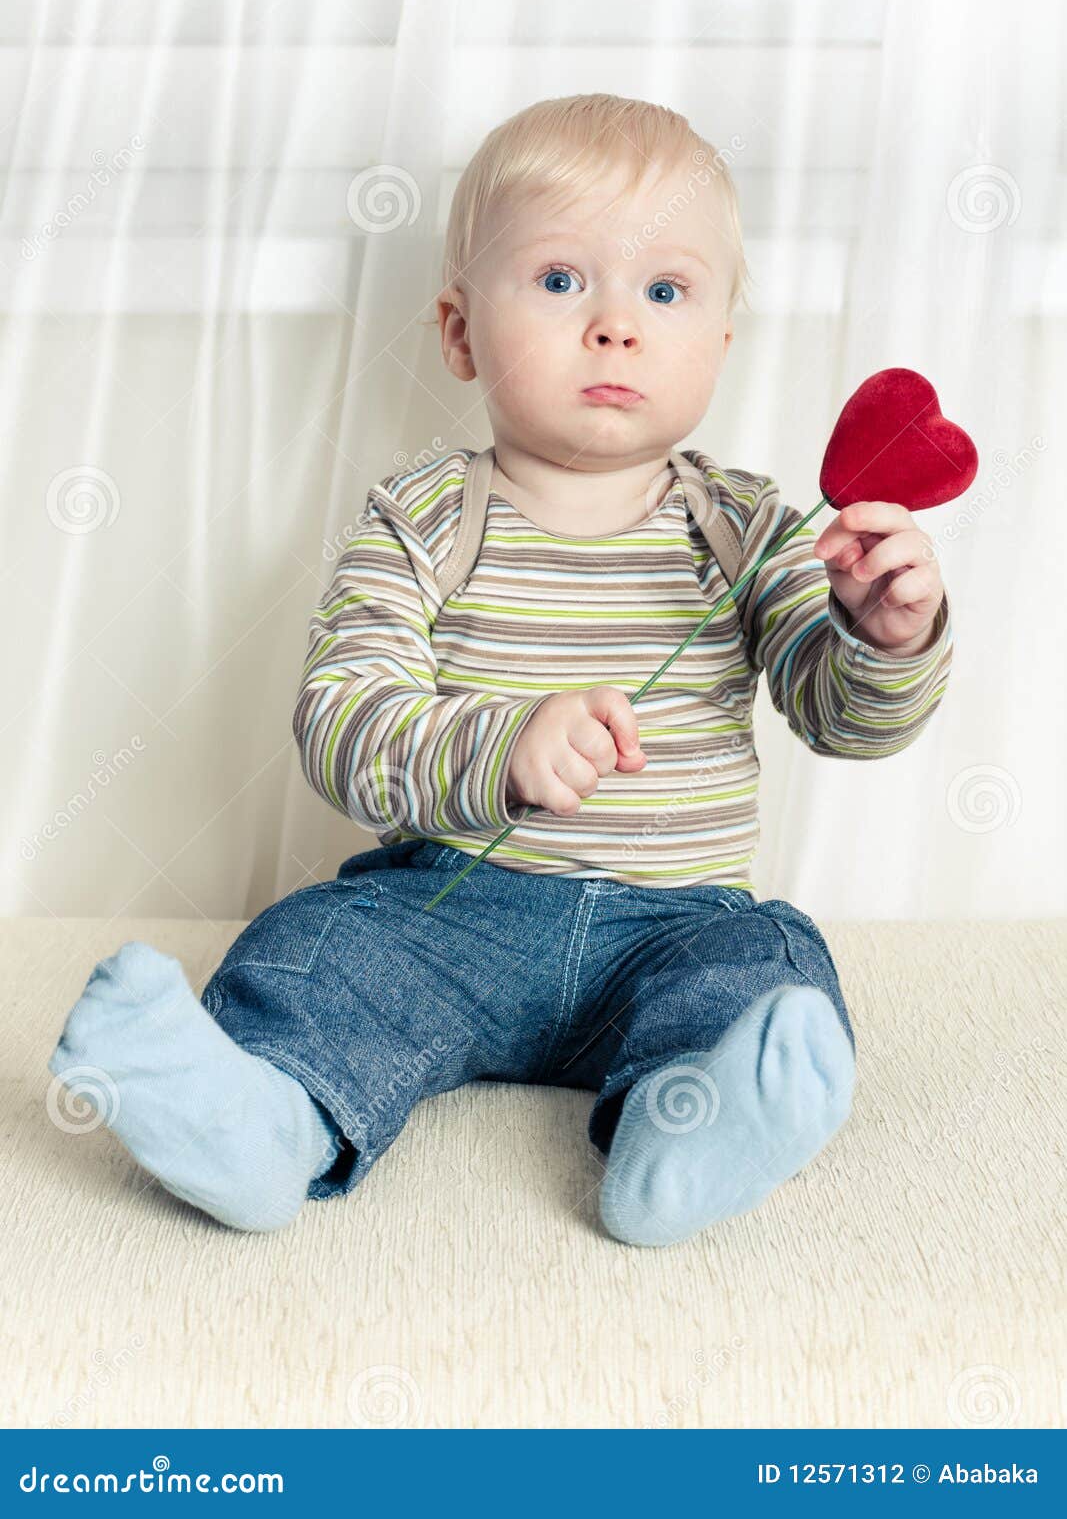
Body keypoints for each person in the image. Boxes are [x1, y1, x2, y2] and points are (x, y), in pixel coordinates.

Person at [47, 94, 952, 1246]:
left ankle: (679, 1142)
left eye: (664, 291)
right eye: (563, 280)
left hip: (671, 923)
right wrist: (498, 749)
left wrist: (882, 636)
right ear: (459, 330)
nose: (615, 325)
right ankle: (258, 1120)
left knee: (764, 968)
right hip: (443, 910)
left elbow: (844, 722)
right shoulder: (422, 514)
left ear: (721, 338)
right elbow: (343, 723)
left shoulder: (748, 528)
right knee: (312, 947)